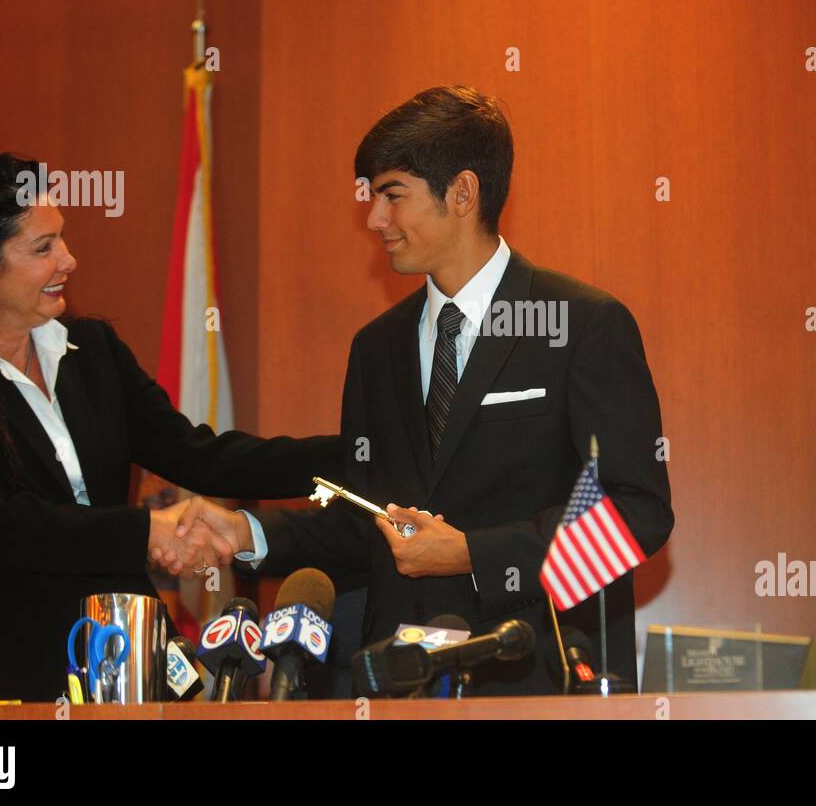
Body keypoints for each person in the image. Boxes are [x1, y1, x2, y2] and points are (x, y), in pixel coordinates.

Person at [171, 86, 674, 694]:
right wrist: (248, 534)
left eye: (392, 195)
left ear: (463, 192)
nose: (374, 219)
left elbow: (635, 514)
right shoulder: (376, 347)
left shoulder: (583, 324)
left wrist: (472, 553)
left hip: (539, 683)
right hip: (396, 687)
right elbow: (369, 521)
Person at [0, 154, 340, 701]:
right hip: (0, 679)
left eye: (62, 238)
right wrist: (146, 531)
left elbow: (200, 456)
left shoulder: (93, 351)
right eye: (42, 249)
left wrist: (351, 457)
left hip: (128, 659)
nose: (68, 259)